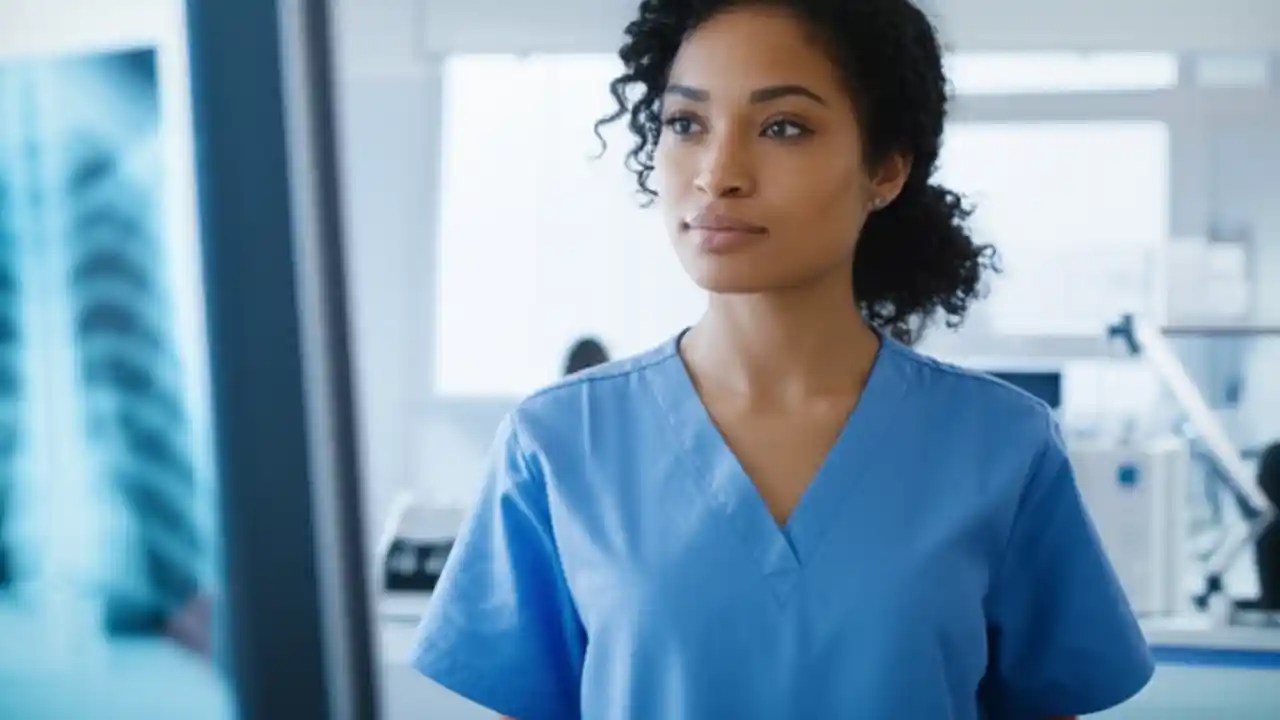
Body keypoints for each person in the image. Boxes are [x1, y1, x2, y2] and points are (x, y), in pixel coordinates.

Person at [412, 1, 1154, 718]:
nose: (719, 172)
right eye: (686, 123)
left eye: (783, 126)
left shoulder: (1001, 444)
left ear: (886, 169)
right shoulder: (560, 442)